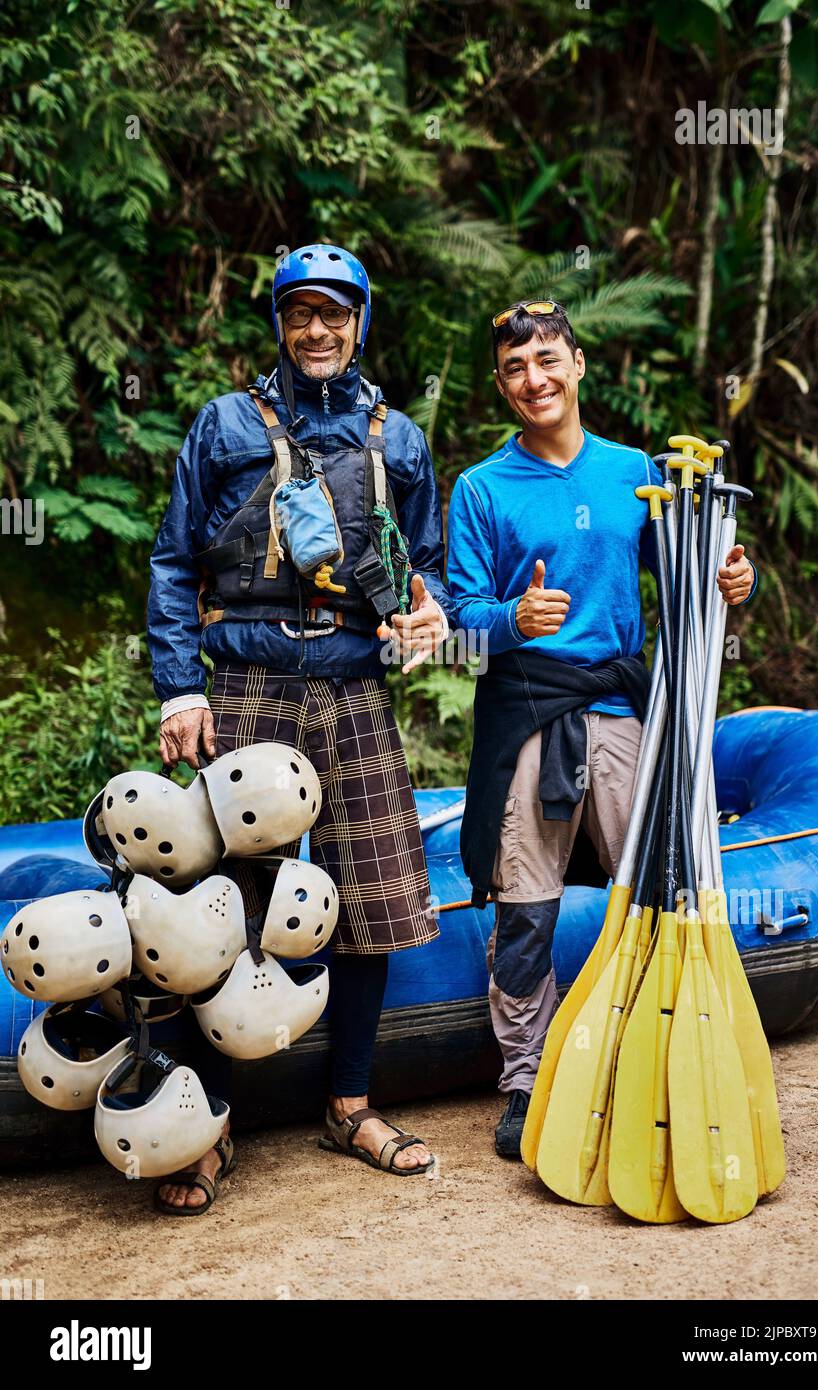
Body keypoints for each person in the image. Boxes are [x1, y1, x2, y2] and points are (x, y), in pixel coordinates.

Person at [147, 243, 452, 1210]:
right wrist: (178, 690)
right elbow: (170, 564)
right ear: (278, 322)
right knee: (221, 910)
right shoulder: (226, 423)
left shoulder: (396, 437)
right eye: (300, 313)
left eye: (336, 313)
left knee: (368, 900)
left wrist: (430, 609)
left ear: (362, 321)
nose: (318, 330)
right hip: (243, 682)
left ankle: (348, 1105)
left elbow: (428, 563)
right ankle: (210, 1126)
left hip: (354, 686)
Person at [446, 300, 756, 1158]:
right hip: (525, 713)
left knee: (658, 889)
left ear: (578, 365)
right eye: (515, 368)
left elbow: (691, 575)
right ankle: (523, 1082)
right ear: (502, 383)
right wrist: (512, 616)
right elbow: (457, 620)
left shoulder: (635, 473)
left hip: (624, 716)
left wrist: (736, 579)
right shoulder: (479, 488)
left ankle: (652, 1060)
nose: (533, 380)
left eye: (547, 360)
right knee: (525, 913)